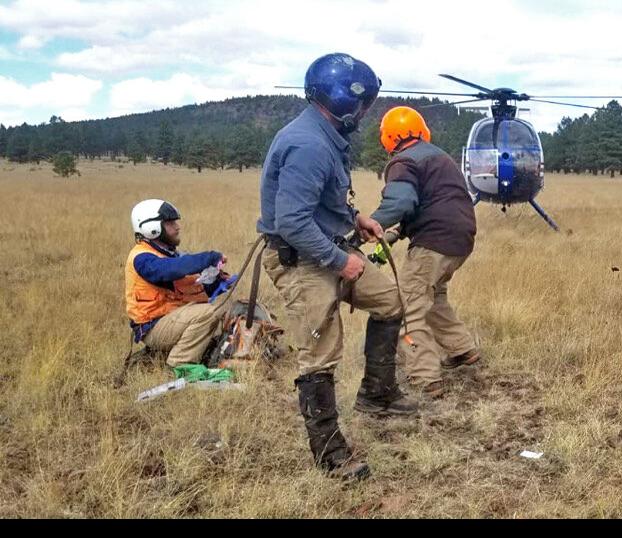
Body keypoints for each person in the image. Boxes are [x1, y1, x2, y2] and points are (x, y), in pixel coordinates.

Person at [256, 53, 415, 481]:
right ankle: (330, 456)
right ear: (347, 101)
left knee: (389, 302)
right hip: (305, 258)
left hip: (332, 246)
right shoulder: (308, 144)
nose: (366, 114)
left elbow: (324, 200)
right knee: (320, 354)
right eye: (365, 105)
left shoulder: (325, 134)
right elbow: (291, 222)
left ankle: (377, 395)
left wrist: (355, 218)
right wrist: (339, 261)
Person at [367, 106, 482, 400]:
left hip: (433, 241)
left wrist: (369, 226)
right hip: (460, 239)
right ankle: (462, 349)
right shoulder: (438, 156)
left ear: (389, 137)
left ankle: (424, 376)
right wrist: (394, 234)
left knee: (408, 304)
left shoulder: (403, 161)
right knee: (434, 297)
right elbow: (430, 205)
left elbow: (402, 201)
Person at [124, 199, 231, 367]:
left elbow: (186, 287)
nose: (177, 227)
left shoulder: (167, 254)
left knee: (224, 308)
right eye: (170, 223)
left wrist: (216, 283)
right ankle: (179, 364)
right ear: (151, 228)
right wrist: (208, 258)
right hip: (153, 327)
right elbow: (169, 270)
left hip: (169, 319)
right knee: (208, 313)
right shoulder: (141, 257)